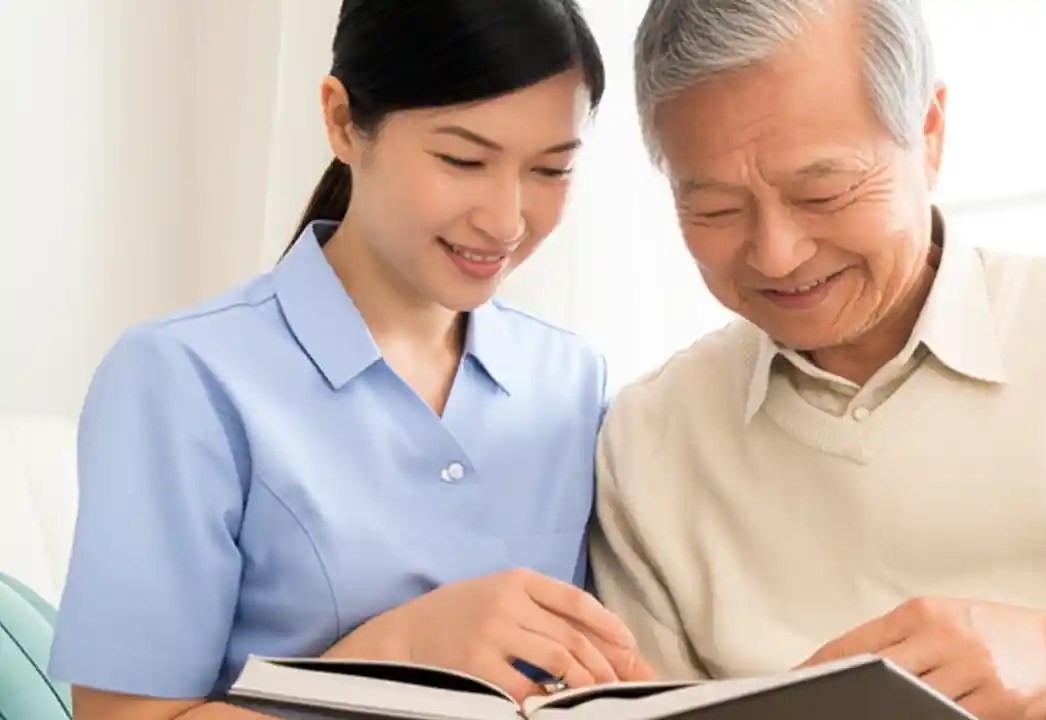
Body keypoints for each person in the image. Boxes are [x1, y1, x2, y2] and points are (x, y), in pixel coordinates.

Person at [590, 1, 1046, 719]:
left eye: (822, 191)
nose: (777, 253)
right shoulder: (649, 437)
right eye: (715, 209)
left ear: (930, 134)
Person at [49, 1, 655, 718]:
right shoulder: (181, 380)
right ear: (341, 121)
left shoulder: (573, 381)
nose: (506, 219)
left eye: (550, 170)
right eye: (462, 159)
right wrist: (400, 653)